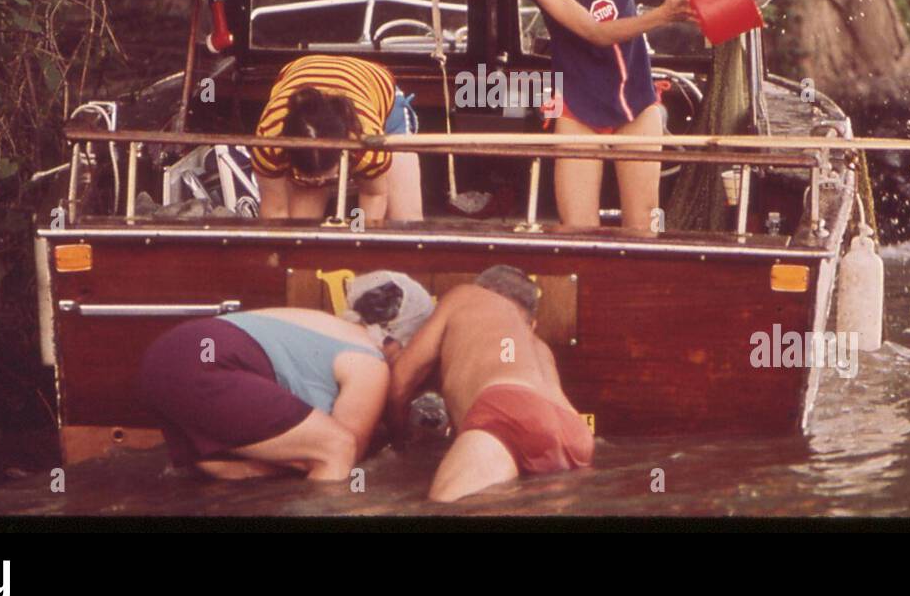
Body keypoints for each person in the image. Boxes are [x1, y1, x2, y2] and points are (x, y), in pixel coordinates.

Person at [514, 0, 732, 229]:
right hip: (578, 108)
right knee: (578, 229)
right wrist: (662, 16)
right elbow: (595, 33)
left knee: (643, 224)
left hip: (637, 101)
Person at [138, 270, 435, 480]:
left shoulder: (322, 324)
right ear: (399, 339)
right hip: (206, 366)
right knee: (337, 449)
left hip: (167, 356)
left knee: (229, 467)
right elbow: (348, 452)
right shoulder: (371, 360)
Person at [386, 265, 593, 502]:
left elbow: (402, 379)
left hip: (508, 411)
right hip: (573, 430)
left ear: (483, 289)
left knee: (444, 509)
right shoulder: (538, 344)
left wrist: (396, 440)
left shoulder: (463, 296)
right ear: (532, 323)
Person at [251, 54, 423, 222]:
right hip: (300, 73)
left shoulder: (366, 141)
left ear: (342, 150)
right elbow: (275, 210)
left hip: (377, 95)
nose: (319, 181)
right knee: (301, 223)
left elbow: (373, 195)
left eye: (324, 176)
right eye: (310, 177)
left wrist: (358, 234)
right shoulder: (269, 140)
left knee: (405, 219)